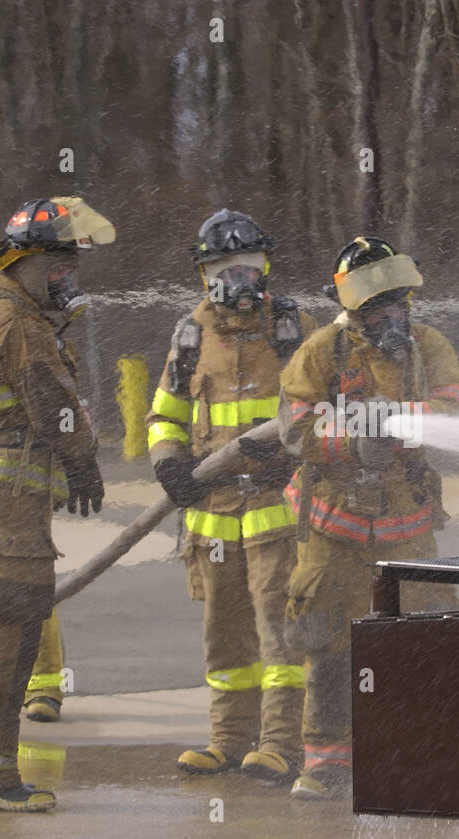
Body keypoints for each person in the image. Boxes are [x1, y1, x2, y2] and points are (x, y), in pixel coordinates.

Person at [277, 236, 459, 799]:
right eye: (374, 304)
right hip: (333, 529)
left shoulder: (430, 346)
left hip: (406, 526)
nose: (387, 314)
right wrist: (354, 442)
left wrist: (398, 421)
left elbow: (453, 412)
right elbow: (294, 428)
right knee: (330, 642)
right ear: (353, 307)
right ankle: (327, 765)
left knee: (419, 638)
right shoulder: (320, 351)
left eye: (394, 302)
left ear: (406, 299)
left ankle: (415, 751)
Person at [0, 197, 110, 812]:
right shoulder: (16, 321)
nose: (67, 280)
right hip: (5, 503)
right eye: (60, 268)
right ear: (30, 262)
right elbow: (51, 402)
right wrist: (83, 461)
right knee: (4, 636)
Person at [147, 209, 317, 783]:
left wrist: (289, 445)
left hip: (277, 507)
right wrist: (169, 462)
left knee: (280, 628)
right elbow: (164, 413)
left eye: (249, 265)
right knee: (224, 631)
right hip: (212, 513)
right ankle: (227, 740)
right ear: (204, 273)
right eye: (224, 267)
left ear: (266, 267)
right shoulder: (190, 335)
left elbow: (329, 407)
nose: (239, 278)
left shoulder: (295, 328)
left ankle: (279, 744)